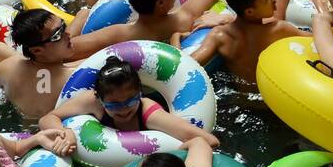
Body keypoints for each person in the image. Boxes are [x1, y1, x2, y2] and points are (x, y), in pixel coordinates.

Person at [40, 55, 219, 153]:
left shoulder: (148, 111)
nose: (124, 109)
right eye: (114, 104)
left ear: (140, 93)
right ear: (100, 99)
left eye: (131, 100)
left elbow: (209, 140)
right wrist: (65, 134)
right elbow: (48, 117)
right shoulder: (91, 101)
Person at [187, 0, 300, 80]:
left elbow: (185, 68)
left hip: (239, 96)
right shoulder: (278, 30)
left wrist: (175, 38)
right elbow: (315, 41)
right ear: (250, 12)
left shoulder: (219, 36)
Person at [0, 10, 80, 119]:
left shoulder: (8, 66)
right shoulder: (71, 77)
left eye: (64, 25)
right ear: (36, 50)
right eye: (57, 35)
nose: (68, 34)